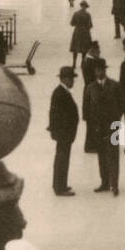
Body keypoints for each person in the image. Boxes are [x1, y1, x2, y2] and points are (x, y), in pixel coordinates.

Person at [83, 60, 123, 195]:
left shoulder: (115, 85)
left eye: (101, 70)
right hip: (98, 127)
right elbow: (86, 108)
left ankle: (114, 184)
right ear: (94, 71)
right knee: (101, 154)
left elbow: (122, 104)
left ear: (105, 71)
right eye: (97, 70)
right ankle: (104, 182)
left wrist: (117, 119)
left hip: (114, 125)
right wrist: (92, 125)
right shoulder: (90, 87)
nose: (99, 72)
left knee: (114, 154)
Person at [48, 65, 79, 196]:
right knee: (62, 159)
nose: (73, 81)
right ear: (65, 79)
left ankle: (60, 184)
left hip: (64, 133)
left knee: (63, 158)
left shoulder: (61, 92)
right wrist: (59, 132)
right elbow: (56, 115)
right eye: (71, 79)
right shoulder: (60, 93)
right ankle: (60, 187)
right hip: (64, 133)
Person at [69, 0, 93, 70]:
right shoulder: (88, 15)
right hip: (85, 33)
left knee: (75, 48)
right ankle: (82, 63)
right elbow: (90, 25)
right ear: (86, 7)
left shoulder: (76, 13)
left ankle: (74, 63)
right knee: (84, 49)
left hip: (77, 32)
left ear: (81, 5)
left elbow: (72, 23)